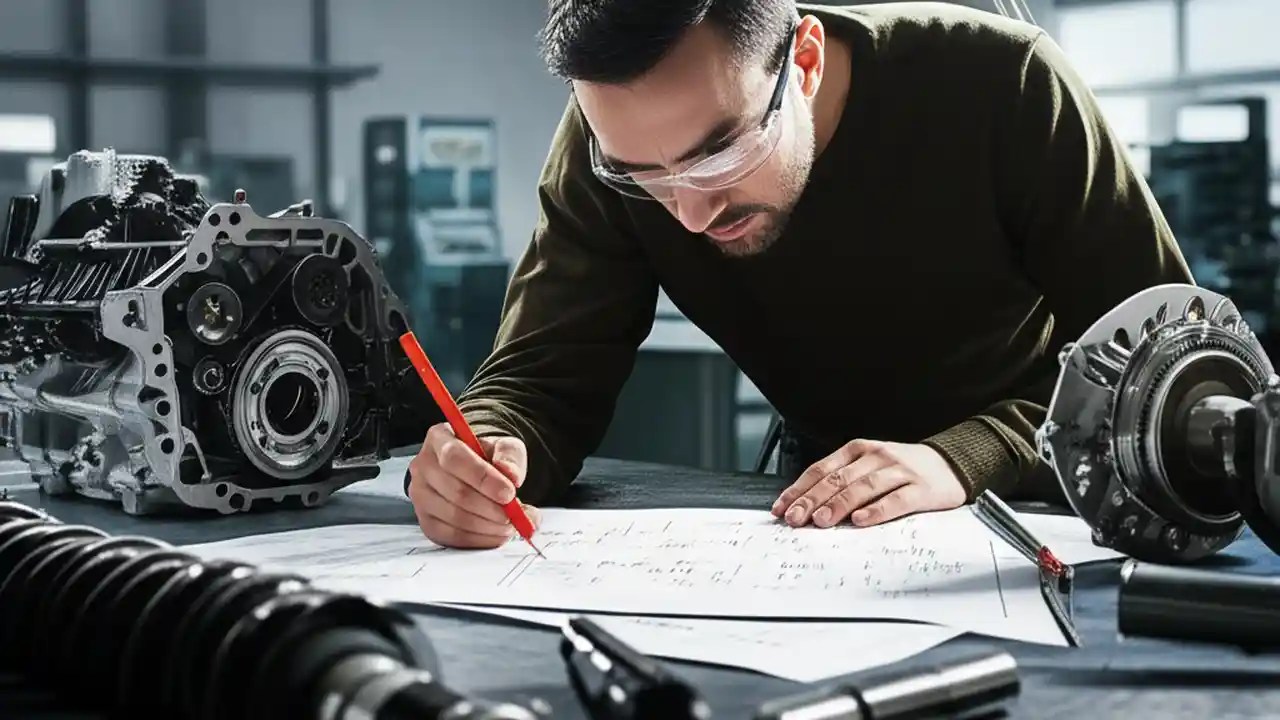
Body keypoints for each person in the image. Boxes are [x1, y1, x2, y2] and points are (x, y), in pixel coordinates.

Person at [405, 0, 1193, 549]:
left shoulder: (1008, 85)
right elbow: (541, 380)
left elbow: (1176, 378)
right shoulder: (608, 145)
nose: (687, 213)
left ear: (805, 62)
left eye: (721, 154)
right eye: (641, 175)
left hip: (1046, 499)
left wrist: (972, 454)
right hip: (815, 519)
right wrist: (489, 452)